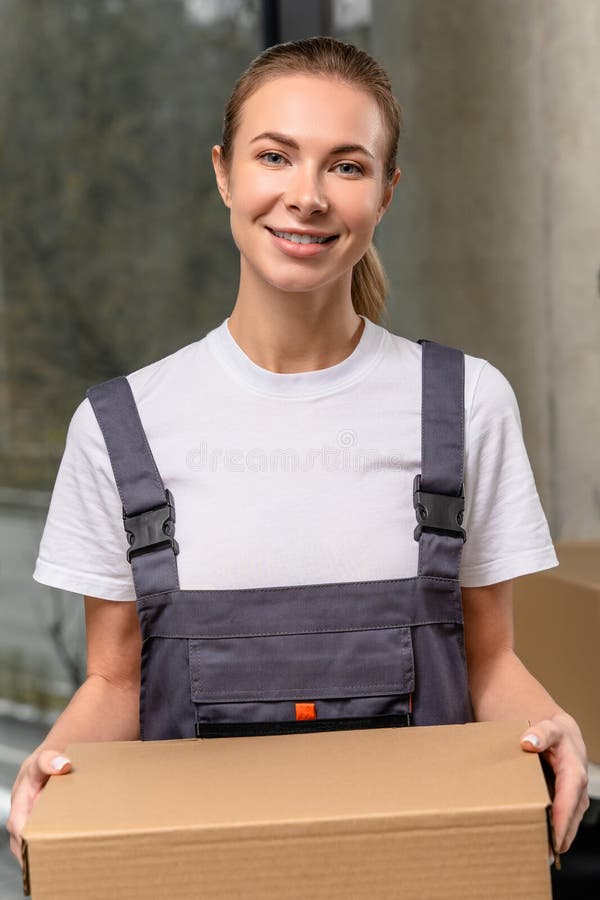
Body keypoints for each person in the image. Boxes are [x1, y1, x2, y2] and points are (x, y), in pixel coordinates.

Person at [7, 36, 588, 866]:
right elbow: (117, 683)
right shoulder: (121, 424)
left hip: (418, 871)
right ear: (224, 173)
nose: (305, 196)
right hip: (198, 877)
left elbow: (489, 660)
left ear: (387, 192)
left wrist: (552, 726)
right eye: (275, 156)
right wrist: (47, 773)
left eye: (347, 167)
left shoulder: (464, 403)